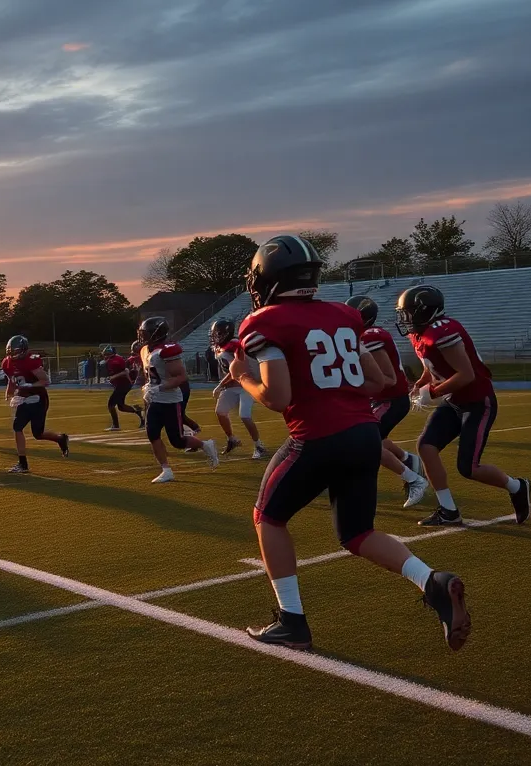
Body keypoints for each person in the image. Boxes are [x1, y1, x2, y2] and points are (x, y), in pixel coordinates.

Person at [234, 234, 469, 651]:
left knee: (267, 518)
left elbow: (278, 398)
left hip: (316, 436)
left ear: (267, 278)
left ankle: (292, 620)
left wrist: (244, 377)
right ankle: (430, 581)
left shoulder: (264, 322)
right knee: (358, 533)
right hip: (364, 435)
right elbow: (378, 381)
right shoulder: (344, 315)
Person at [396, 285, 531, 527]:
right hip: (454, 401)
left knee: (469, 468)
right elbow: (431, 364)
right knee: (426, 446)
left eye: (408, 312)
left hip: (477, 401)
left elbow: (466, 374)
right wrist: (422, 381)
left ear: (425, 311)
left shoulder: (443, 331)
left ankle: (517, 486)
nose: (405, 318)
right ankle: (448, 510)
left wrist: (434, 392)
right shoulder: (421, 333)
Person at [346, 295, 429, 506]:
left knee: (367, 444)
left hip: (390, 399)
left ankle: (414, 479)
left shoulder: (370, 337)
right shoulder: (364, 335)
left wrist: (352, 385)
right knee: (374, 439)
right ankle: (409, 460)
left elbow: (388, 378)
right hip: (382, 399)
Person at [137, 317, 218, 483]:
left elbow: (181, 376)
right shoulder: (145, 350)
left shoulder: (167, 350)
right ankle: (166, 470)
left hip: (170, 400)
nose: (143, 336)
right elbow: (150, 375)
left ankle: (205, 445)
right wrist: (148, 387)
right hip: (154, 399)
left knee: (177, 441)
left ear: (156, 333)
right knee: (152, 433)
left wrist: (159, 387)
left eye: (147, 333)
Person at [1, 335, 69, 474]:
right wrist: (9, 393)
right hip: (23, 398)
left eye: (16, 352)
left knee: (38, 433)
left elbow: (45, 381)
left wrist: (29, 385)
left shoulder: (31, 361)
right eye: (11, 353)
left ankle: (60, 439)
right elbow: (12, 380)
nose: (13, 356)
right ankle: (23, 463)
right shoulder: (6, 363)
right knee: (17, 427)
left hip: (38, 398)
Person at [210, 319, 266, 459]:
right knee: (220, 412)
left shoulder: (234, 345)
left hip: (245, 385)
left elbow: (236, 370)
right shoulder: (220, 346)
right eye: (215, 333)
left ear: (226, 333)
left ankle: (259, 446)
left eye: (218, 333)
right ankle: (232, 439)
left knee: (244, 415)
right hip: (231, 387)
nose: (215, 336)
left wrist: (220, 384)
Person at [101, 345, 143, 431]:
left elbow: (125, 371)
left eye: (107, 354)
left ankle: (116, 425)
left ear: (111, 354)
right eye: (105, 354)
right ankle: (139, 413)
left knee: (111, 405)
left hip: (123, 385)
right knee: (121, 407)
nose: (105, 356)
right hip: (123, 384)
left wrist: (114, 377)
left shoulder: (115, 360)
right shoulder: (113, 360)